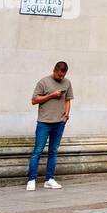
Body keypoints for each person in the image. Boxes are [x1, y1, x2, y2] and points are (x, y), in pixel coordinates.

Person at [27, 61, 73, 191]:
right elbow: (34, 100)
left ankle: (50, 179)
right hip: (44, 122)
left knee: (53, 151)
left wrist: (66, 116)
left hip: (59, 123)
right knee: (38, 151)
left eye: (63, 76)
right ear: (54, 70)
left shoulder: (67, 82)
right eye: (59, 75)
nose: (61, 78)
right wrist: (51, 95)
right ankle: (31, 180)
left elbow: (68, 99)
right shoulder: (43, 82)